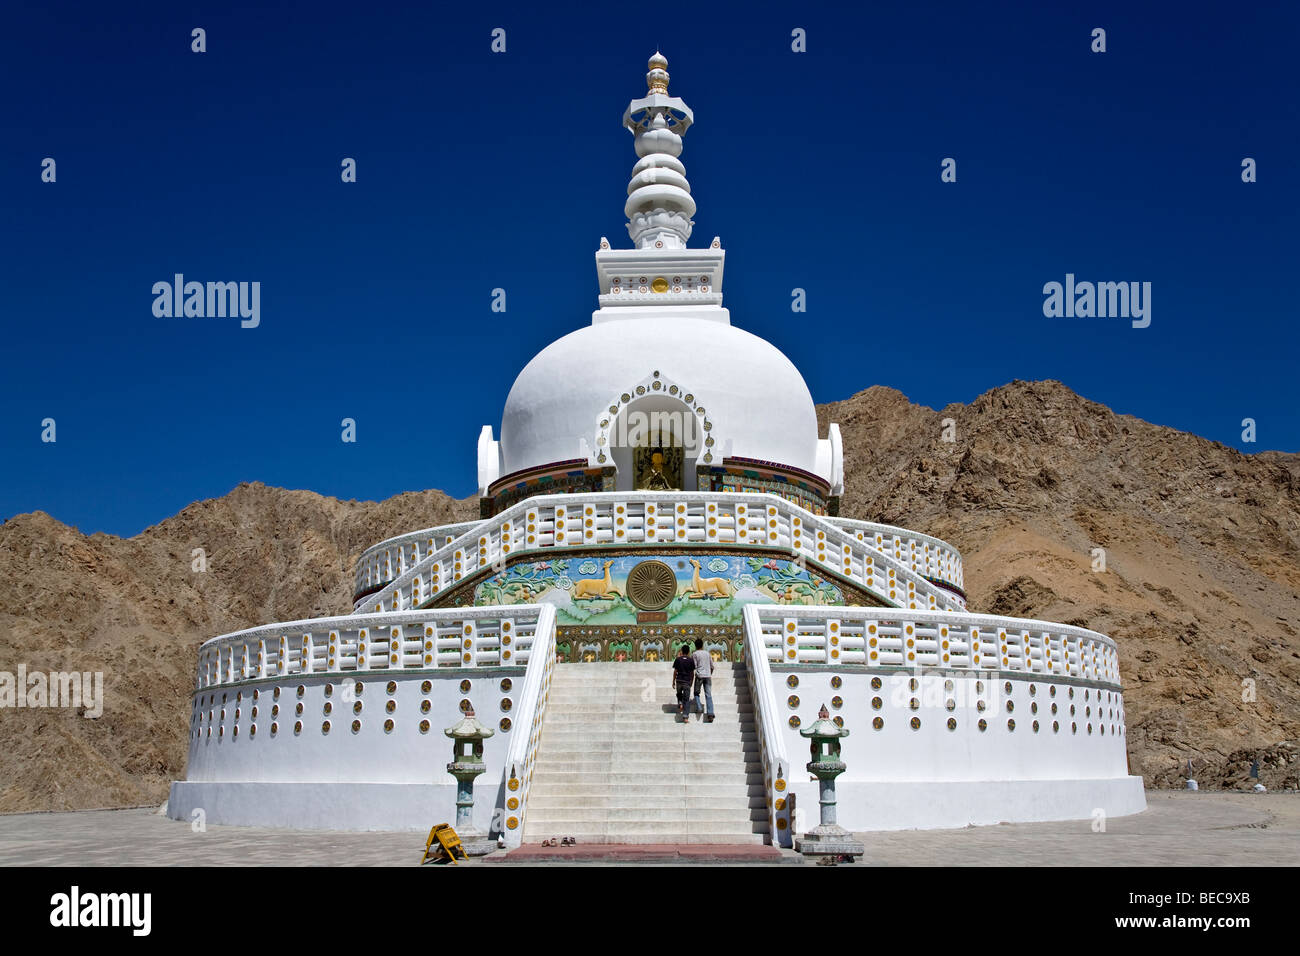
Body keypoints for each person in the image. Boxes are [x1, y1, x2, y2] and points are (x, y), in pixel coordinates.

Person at [690, 638, 715, 722]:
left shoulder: (695, 654)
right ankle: (710, 714)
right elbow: (712, 666)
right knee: (708, 695)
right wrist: (709, 673)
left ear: (695, 645)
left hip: (699, 675)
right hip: (707, 676)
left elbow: (693, 666)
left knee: (696, 693)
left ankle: (699, 707)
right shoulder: (707, 653)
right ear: (702, 645)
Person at [671, 644, 695, 722]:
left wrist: (673, 681)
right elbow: (692, 673)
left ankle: (680, 703)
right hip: (687, 681)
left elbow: (675, 671)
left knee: (679, 694)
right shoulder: (691, 660)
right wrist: (691, 681)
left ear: (682, 651)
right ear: (688, 652)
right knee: (686, 699)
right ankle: (685, 717)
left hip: (679, 680)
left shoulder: (678, 659)